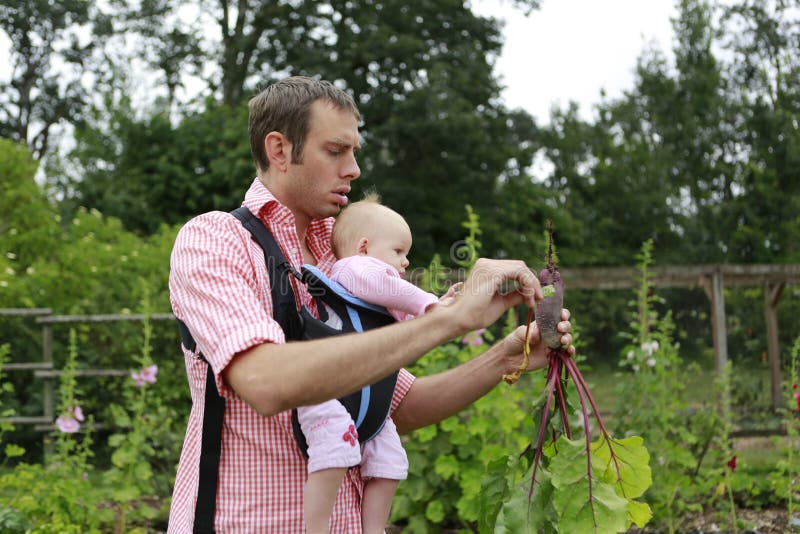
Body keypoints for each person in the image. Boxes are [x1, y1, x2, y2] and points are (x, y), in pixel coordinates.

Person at [167, 75, 574, 533]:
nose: (355, 169)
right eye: (336, 151)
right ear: (279, 150)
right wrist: (449, 319)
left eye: (354, 152)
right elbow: (264, 381)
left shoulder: (339, 262)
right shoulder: (216, 241)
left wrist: (509, 354)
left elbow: (397, 404)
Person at [300, 193, 460, 533]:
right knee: (332, 453)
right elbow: (388, 286)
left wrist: (439, 307)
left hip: (369, 402)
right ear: (364, 247)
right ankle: (315, 526)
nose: (405, 263)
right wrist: (431, 305)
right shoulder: (355, 270)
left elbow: (408, 324)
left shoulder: (379, 297)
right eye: (398, 251)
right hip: (329, 395)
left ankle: (373, 529)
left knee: (390, 462)